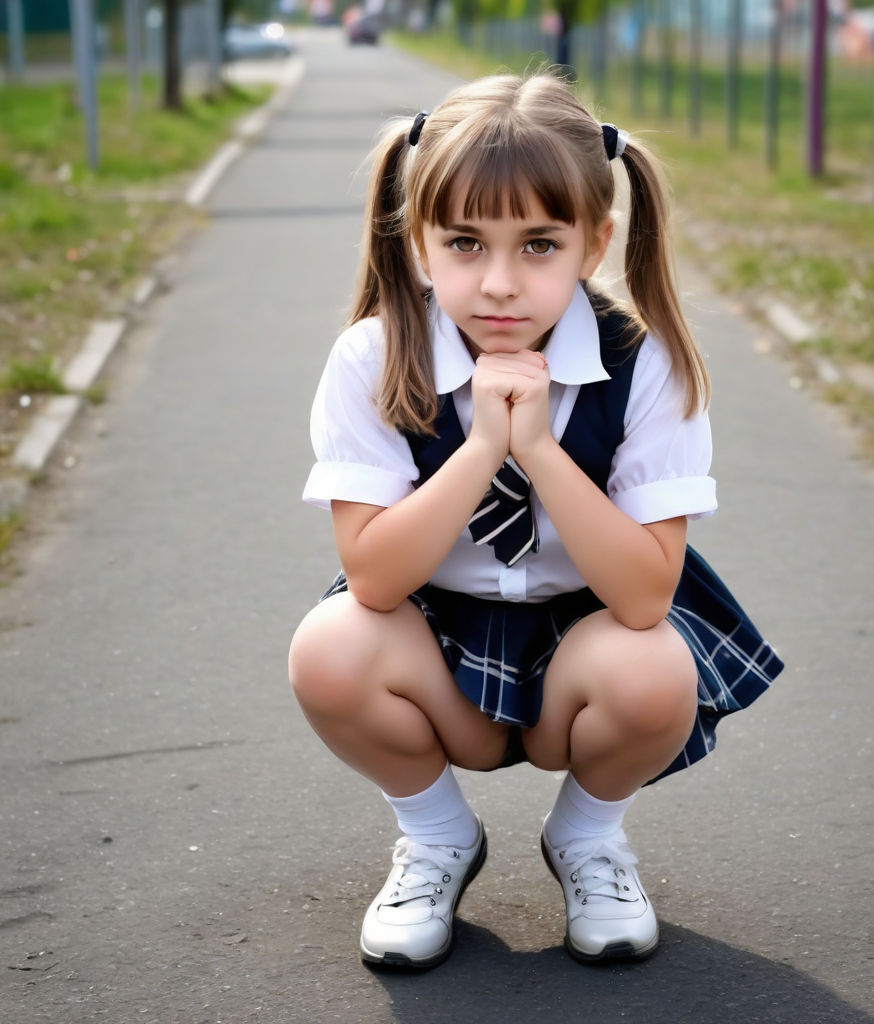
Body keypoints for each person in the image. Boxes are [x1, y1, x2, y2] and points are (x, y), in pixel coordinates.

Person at [288, 71, 783, 971]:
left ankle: (589, 840)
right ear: (421, 240)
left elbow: (642, 598)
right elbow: (374, 578)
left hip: (588, 636)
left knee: (653, 667)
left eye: (540, 244)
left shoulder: (648, 363)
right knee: (328, 648)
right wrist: (482, 446)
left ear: (594, 243)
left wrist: (543, 454)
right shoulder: (372, 356)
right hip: (430, 633)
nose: (501, 284)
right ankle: (436, 838)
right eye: (467, 243)